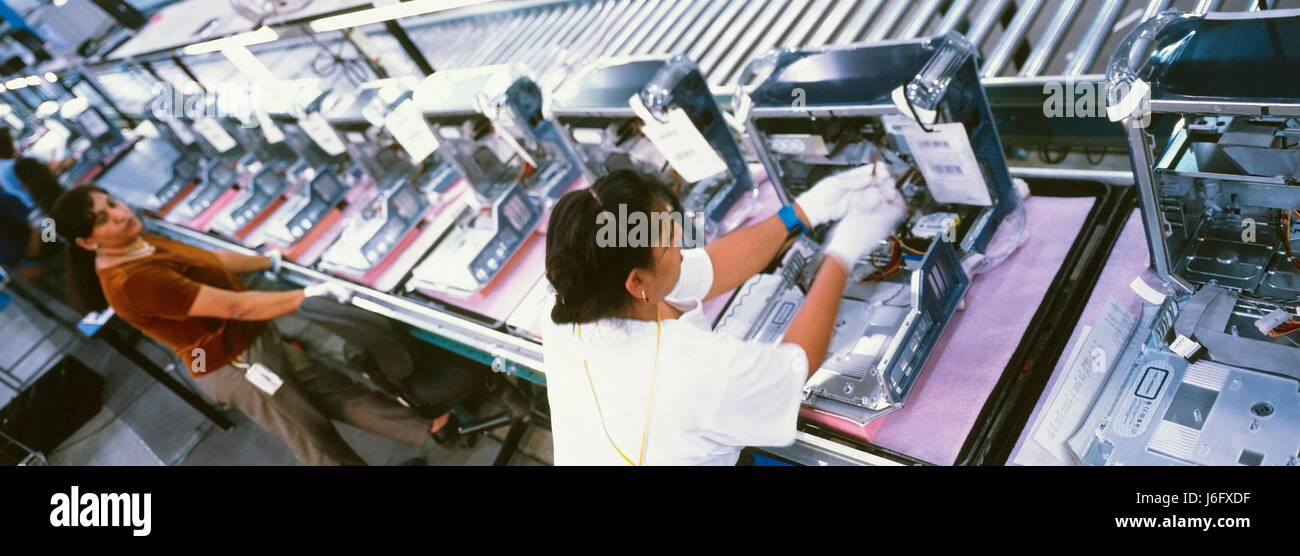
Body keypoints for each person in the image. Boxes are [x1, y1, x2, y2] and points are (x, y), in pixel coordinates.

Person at [50, 184, 460, 465]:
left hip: (253, 341)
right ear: (88, 243)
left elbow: (213, 261)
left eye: (113, 204)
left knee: (333, 390)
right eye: (102, 219)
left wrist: (272, 260)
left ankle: (430, 427)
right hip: (234, 363)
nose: (119, 216)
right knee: (313, 436)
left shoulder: (138, 241)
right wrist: (305, 296)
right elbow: (237, 307)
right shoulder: (132, 281)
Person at [543, 167, 906, 465]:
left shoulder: (579, 290)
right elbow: (795, 364)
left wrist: (803, 211)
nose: (683, 238)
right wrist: (842, 252)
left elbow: (708, 268)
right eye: (670, 240)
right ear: (636, 281)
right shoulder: (694, 372)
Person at [0, 128, 35, 210]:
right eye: (12, 142)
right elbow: (35, 183)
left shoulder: (3, 167)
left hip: (28, 205)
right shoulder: (12, 166)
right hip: (37, 202)